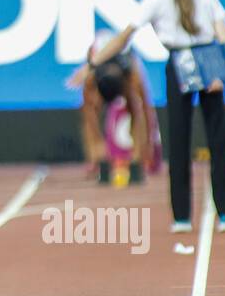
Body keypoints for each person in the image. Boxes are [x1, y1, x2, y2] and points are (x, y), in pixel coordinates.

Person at [91, 0, 225, 234]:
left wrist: (94, 62)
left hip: (179, 60)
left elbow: (124, 37)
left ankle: (181, 217)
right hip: (210, 58)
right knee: (218, 140)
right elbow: (224, 35)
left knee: (179, 138)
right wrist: (217, 71)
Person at [67, 29, 158, 186]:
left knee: (136, 109)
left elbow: (145, 108)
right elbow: (87, 113)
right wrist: (99, 152)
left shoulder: (132, 74)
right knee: (89, 111)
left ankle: (137, 156)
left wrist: (145, 149)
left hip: (121, 67)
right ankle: (96, 158)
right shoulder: (91, 77)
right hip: (100, 66)